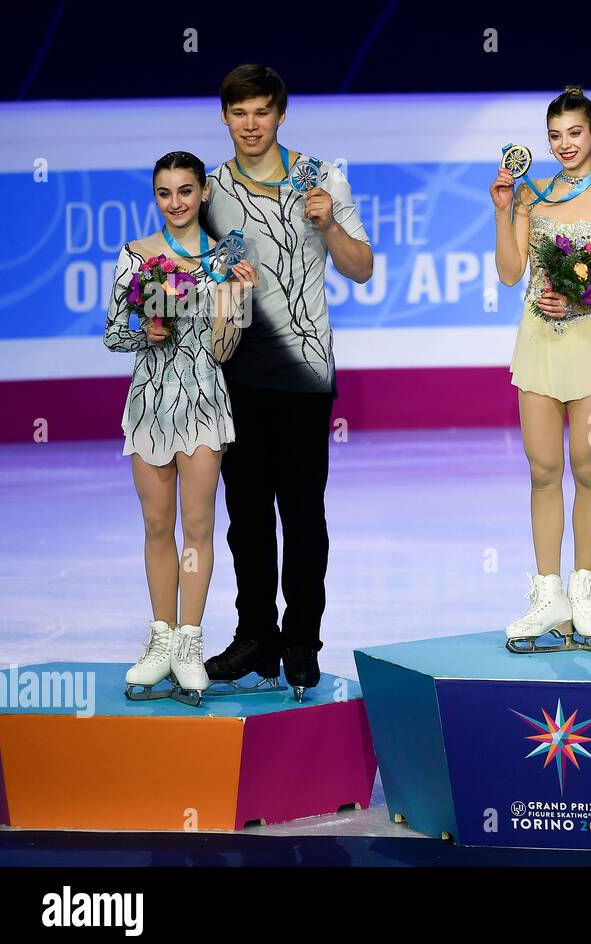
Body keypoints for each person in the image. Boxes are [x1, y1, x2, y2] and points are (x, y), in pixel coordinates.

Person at [201, 64, 373, 702]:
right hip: (234, 378)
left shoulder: (319, 178)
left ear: (280, 114)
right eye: (238, 113)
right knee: (245, 518)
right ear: (225, 118)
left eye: (261, 112)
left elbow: (362, 269)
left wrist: (327, 224)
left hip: (304, 378)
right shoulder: (210, 190)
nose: (250, 124)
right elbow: (188, 277)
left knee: (303, 515)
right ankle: (256, 638)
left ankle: (301, 641)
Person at [494, 87, 591, 653]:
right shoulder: (531, 196)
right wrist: (503, 209)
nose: (566, 145)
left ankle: (585, 587)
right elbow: (512, 274)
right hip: (537, 344)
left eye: (575, 134)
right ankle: (548, 594)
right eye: (555, 136)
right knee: (543, 470)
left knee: (587, 465)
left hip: (590, 345)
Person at [106, 151, 255, 704]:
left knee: (197, 527)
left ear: (203, 194)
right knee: (156, 524)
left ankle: (190, 644)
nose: (176, 203)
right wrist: (149, 330)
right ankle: (160, 640)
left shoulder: (224, 260)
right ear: (156, 197)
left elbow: (224, 349)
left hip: (201, 404)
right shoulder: (136, 256)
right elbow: (112, 335)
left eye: (186, 192)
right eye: (165, 194)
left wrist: (235, 299)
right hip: (149, 405)